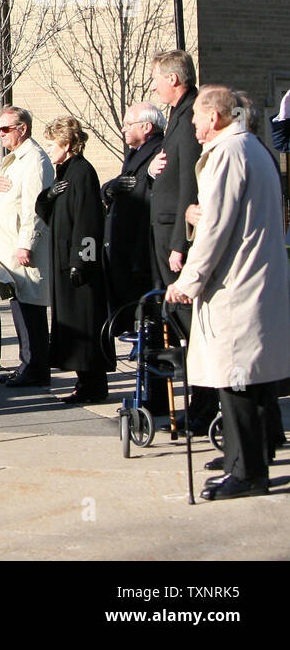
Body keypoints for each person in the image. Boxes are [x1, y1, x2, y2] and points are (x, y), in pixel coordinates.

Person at [166, 85, 290, 500]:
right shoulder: (254, 149)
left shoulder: (228, 153)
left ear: (215, 117)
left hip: (236, 284)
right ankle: (249, 458)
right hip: (254, 279)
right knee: (250, 381)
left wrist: (188, 282)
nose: (195, 125)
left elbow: (216, 228)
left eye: (198, 118)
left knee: (236, 380)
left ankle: (247, 471)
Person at [146, 50, 213, 430]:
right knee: (178, 319)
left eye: (157, 78)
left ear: (173, 79)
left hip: (177, 234)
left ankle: (206, 406)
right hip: (167, 228)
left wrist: (179, 243)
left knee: (191, 324)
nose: (154, 85)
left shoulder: (190, 115)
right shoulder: (178, 115)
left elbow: (191, 180)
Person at [36, 116, 110, 403]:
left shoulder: (82, 173)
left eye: (53, 144)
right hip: (64, 260)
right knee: (71, 324)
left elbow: (89, 222)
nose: (50, 149)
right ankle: (83, 381)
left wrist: (84, 261)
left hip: (78, 265)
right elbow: (46, 210)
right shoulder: (64, 173)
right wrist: (49, 195)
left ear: (67, 145)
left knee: (85, 324)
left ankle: (92, 384)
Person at [0, 107, 54, 387]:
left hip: (21, 250)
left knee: (31, 308)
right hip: (8, 249)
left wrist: (26, 244)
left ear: (22, 129)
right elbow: (2, 195)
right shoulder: (15, 159)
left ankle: (36, 367)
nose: (0, 134)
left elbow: (34, 209)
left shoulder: (34, 160)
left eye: (5, 129)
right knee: (19, 306)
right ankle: (27, 363)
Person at [102, 102, 165, 340]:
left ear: (147, 127)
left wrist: (146, 176)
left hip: (140, 250)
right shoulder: (135, 154)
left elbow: (148, 193)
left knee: (148, 322)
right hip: (124, 249)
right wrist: (111, 189)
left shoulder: (159, 152)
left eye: (129, 124)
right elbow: (114, 185)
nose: (124, 129)